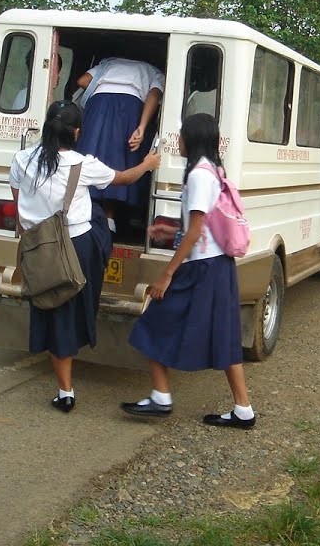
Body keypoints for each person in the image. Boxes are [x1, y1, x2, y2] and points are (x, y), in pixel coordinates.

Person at [9, 100, 161, 413]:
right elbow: (125, 179)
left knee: (49, 307)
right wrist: (148, 163)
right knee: (95, 222)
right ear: (77, 132)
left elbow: (18, 206)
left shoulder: (22, 159)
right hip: (75, 248)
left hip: (37, 248)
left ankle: (65, 389)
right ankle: (66, 391)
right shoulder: (82, 163)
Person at [120, 113, 256, 429]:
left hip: (200, 269)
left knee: (153, 322)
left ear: (191, 139)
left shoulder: (198, 176)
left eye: (180, 136)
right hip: (218, 267)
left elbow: (195, 232)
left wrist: (166, 274)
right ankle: (243, 409)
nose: (176, 141)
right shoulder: (213, 170)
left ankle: (161, 397)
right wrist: (168, 231)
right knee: (224, 336)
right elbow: (201, 225)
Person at [75, 55, 166, 233]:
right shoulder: (155, 71)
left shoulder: (107, 64)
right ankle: (111, 218)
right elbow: (154, 95)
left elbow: (82, 81)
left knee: (92, 155)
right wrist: (141, 126)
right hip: (129, 107)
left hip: (98, 104)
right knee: (119, 158)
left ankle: (86, 213)